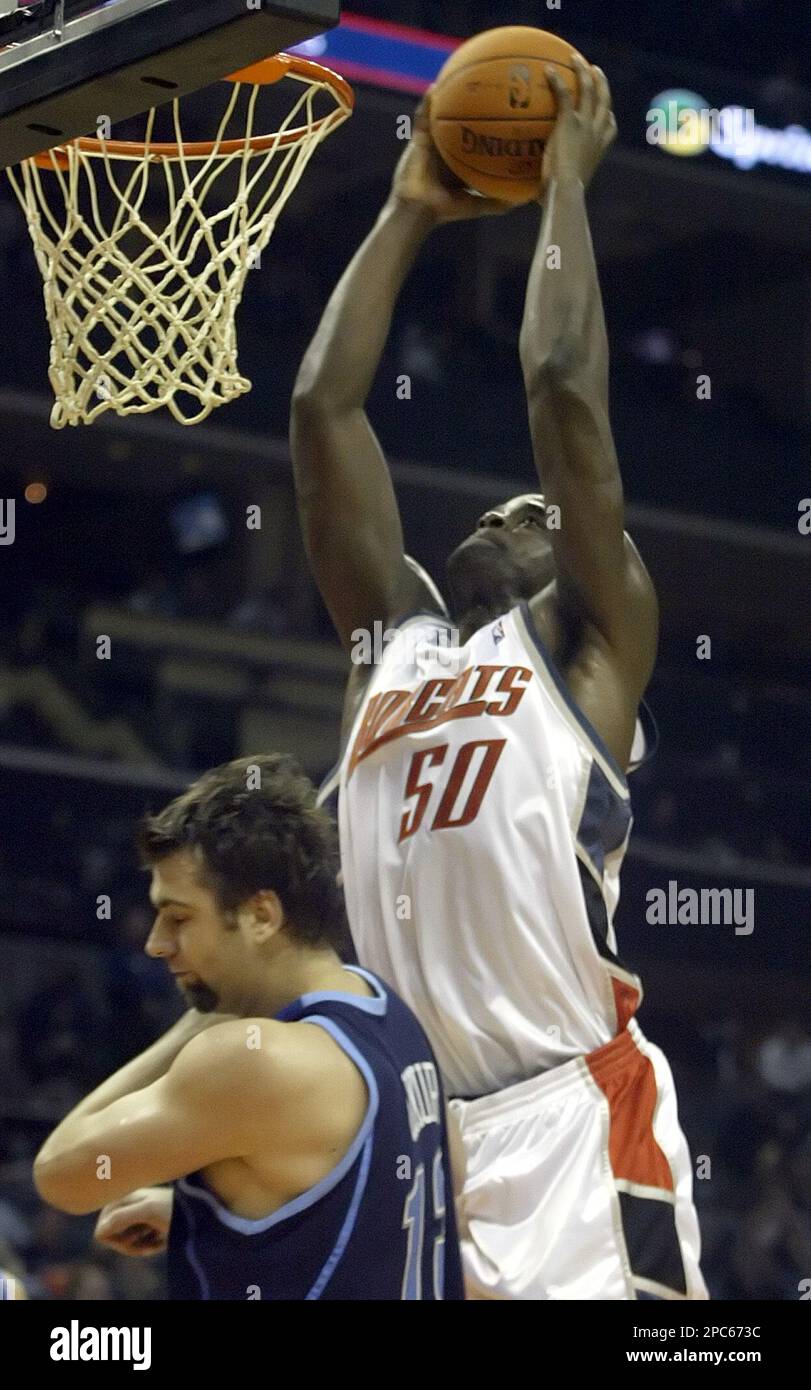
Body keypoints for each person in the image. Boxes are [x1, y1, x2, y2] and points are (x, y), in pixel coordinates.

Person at [290, 61, 706, 1299]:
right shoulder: (394, 644)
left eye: (540, 511)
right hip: (409, 1128)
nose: (515, 503)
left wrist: (564, 187)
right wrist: (408, 206)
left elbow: (561, 390)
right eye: (505, 503)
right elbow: (323, 412)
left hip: (573, 1116)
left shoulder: (582, 648)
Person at [33, 756, 464, 1300]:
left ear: (262, 915)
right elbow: (419, 1199)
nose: (156, 943)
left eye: (180, 918)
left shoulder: (250, 1061)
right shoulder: (395, 1019)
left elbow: (61, 1175)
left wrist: (201, 1017)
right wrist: (205, 1217)